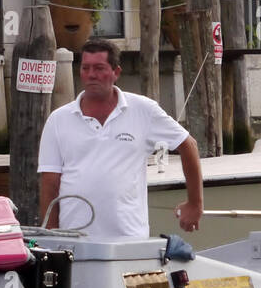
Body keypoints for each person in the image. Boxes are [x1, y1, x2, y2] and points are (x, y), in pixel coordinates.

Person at [38, 38, 204, 237]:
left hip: (129, 238)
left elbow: (188, 145)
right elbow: (50, 181)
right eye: (85, 68)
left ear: (116, 72)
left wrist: (195, 203)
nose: (91, 75)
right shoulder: (58, 120)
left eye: (99, 68)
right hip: (73, 239)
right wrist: (51, 233)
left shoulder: (144, 110)